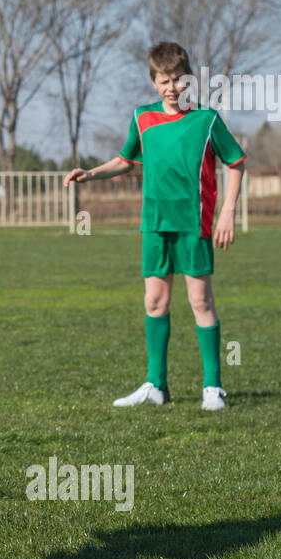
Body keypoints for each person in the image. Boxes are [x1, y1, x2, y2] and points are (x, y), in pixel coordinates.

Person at [64, 42, 245, 410]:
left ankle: (213, 387)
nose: (171, 89)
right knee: (154, 301)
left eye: (178, 81)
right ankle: (155, 386)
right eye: (164, 81)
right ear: (152, 81)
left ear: (189, 81)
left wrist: (227, 211)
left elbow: (237, 162)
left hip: (193, 225)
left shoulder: (206, 119)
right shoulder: (142, 118)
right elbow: (125, 159)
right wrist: (92, 173)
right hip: (154, 225)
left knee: (200, 300)